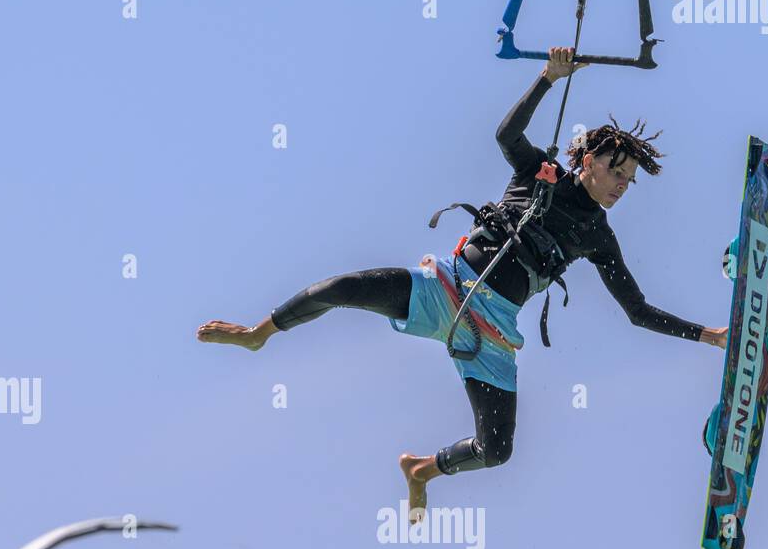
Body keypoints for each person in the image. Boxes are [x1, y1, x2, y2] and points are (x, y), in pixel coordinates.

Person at [198, 49, 728, 521]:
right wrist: (547, 78)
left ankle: (423, 469)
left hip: (491, 334)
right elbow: (505, 135)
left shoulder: (599, 236)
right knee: (337, 287)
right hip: (445, 290)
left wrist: (707, 335)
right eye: (618, 173)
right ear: (588, 161)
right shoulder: (538, 171)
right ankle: (257, 332)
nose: (622, 187)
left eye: (629, 182)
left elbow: (635, 310)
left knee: (497, 451)